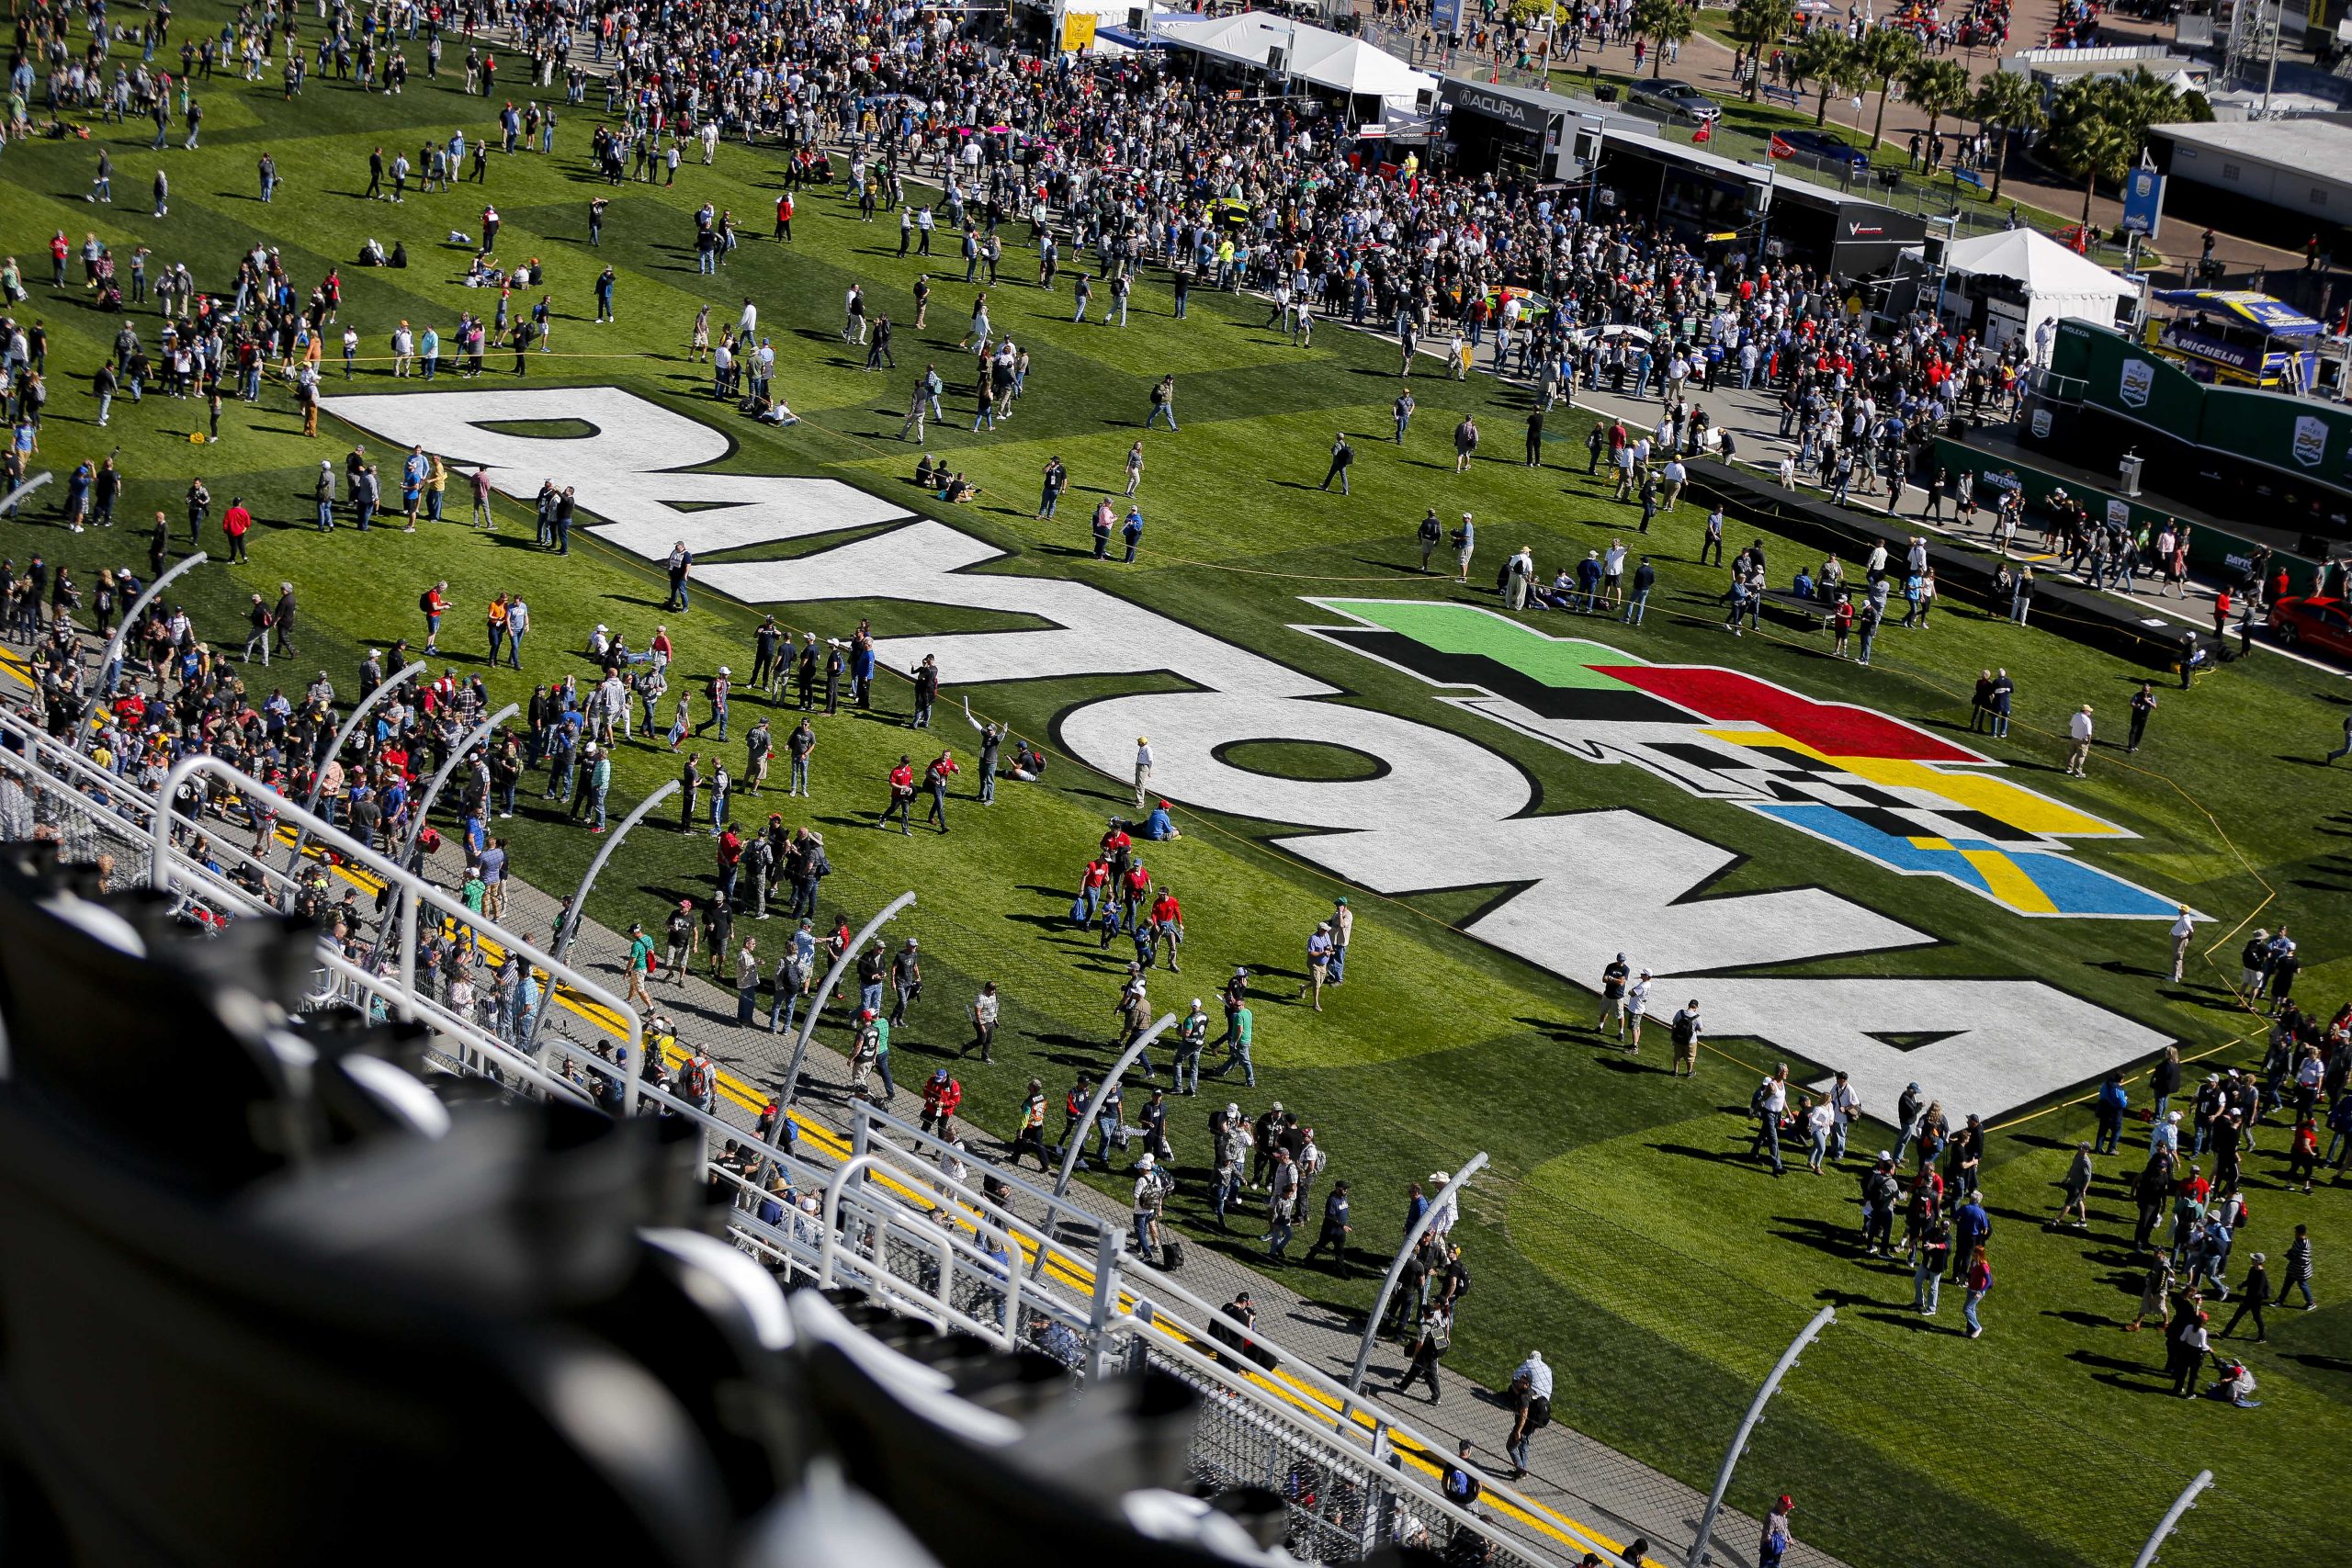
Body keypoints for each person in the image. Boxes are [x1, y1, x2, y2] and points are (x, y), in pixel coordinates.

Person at [1503, 1350, 1552, 1479]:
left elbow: (1524, 1414)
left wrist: (1518, 1430)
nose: (1519, 1382)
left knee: (1511, 1446)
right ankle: (1522, 1470)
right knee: (1524, 1442)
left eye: (1522, 1381)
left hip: (1527, 1421)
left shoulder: (1524, 1397)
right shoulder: (1547, 1369)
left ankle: (1521, 1469)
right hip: (1540, 1413)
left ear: (1527, 1384)